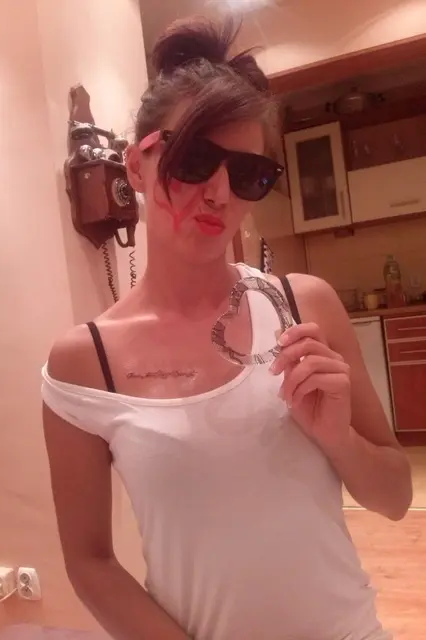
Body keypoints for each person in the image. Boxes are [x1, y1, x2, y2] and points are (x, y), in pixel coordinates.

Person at [42, 17, 412, 640]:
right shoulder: (85, 362)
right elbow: (89, 563)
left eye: (247, 175)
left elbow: (396, 498)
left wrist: (338, 439)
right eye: (193, 159)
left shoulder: (304, 306)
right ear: (136, 164)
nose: (218, 193)